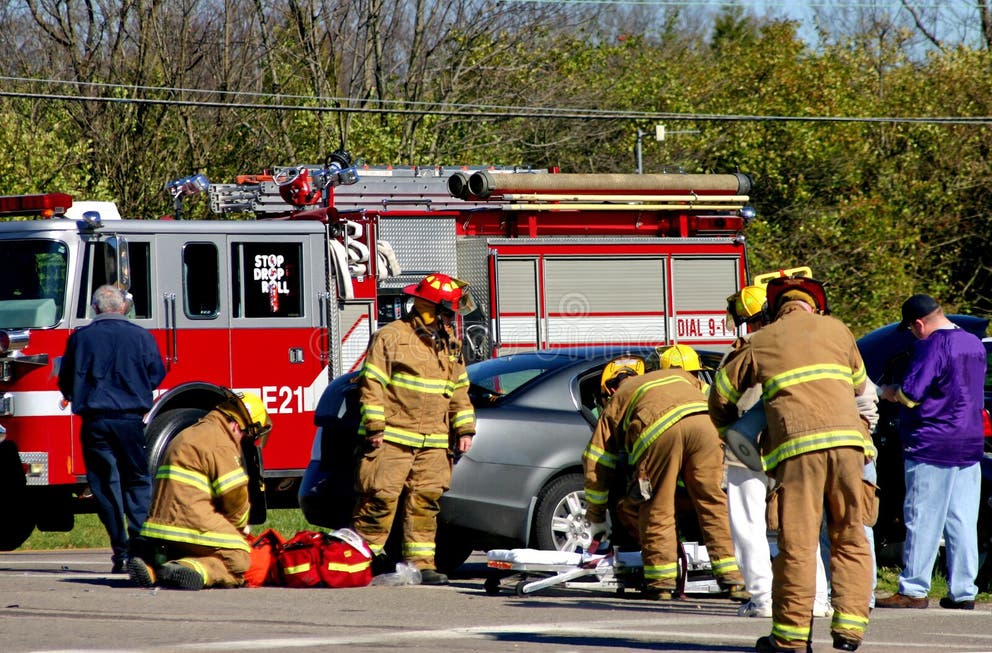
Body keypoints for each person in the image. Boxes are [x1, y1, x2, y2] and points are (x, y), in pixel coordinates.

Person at [709, 276, 874, 653]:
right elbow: (861, 389)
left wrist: (733, 426)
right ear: (813, 307)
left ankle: (790, 639)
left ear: (774, 311)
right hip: (850, 447)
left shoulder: (760, 341)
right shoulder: (839, 330)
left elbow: (720, 395)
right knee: (849, 534)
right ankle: (849, 628)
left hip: (798, 451)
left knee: (798, 544)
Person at [582, 344, 747, 601]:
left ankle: (661, 584)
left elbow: (596, 461)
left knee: (657, 506)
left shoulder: (620, 397)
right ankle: (733, 579)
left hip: (658, 429)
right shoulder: (679, 376)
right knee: (712, 502)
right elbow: (714, 397)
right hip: (705, 424)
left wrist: (596, 517)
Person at [351, 273, 476, 586]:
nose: (451, 319)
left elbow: (459, 389)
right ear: (429, 308)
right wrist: (375, 426)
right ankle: (358, 561)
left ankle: (421, 564)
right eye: (448, 312)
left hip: (434, 440)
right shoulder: (390, 337)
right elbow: (372, 384)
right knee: (379, 498)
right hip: (393, 436)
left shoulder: (450, 346)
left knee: (426, 502)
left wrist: (464, 430)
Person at [721, 286, 835, 620]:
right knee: (802, 525)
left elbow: (723, 396)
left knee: (748, 525)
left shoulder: (752, 348)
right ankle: (817, 599)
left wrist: (724, 429)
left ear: (750, 320)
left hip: (748, 450)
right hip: (792, 445)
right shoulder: (807, 345)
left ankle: (763, 598)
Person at [875, 294, 986, 611]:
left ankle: (914, 588)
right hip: (969, 442)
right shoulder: (973, 343)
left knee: (922, 516)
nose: (912, 333)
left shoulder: (932, 345)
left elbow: (911, 394)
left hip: (932, 442)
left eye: (911, 328)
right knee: (962, 520)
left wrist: (886, 391)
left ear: (919, 323)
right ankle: (964, 591)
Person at [57, 284, 166, 573]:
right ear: (123, 308)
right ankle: (141, 547)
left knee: (105, 486)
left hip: (94, 422)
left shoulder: (80, 339)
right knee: (138, 481)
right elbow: (156, 374)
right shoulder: (142, 336)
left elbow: (65, 378)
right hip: (130, 420)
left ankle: (120, 551)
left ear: (95, 309)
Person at [126, 390, 272, 590]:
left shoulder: (189, 432)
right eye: (246, 435)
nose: (242, 441)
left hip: (158, 527)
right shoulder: (220, 442)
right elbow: (235, 497)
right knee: (239, 560)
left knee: (197, 545)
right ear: (237, 425)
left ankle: (152, 564)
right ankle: (193, 568)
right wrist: (239, 528)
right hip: (189, 523)